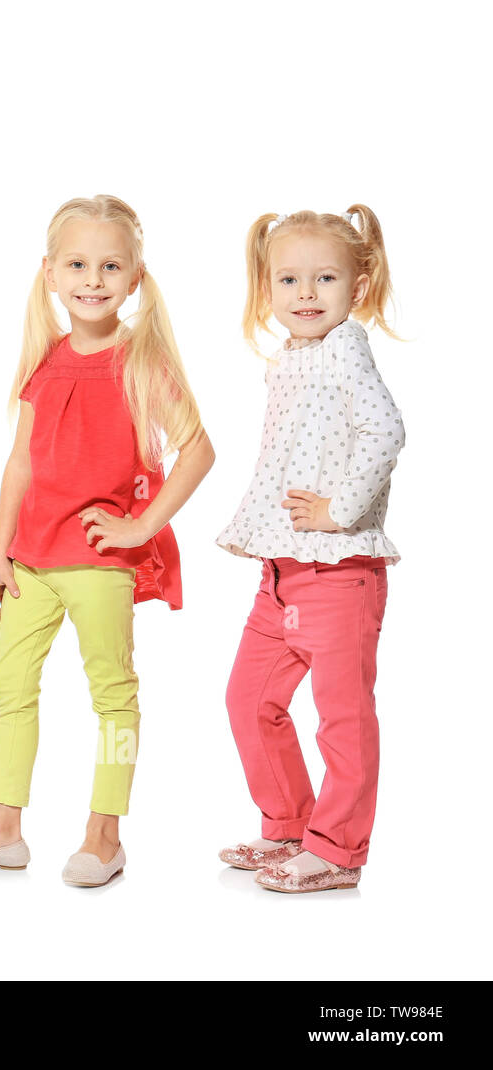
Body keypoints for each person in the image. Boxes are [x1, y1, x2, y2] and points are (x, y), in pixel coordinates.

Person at [0, 195, 213, 887]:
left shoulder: (141, 359)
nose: (94, 279)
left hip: (98, 561)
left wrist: (142, 527)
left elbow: (198, 451)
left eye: (111, 265)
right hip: (33, 556)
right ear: (51, 273)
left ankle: (104, 832)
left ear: (135, 277)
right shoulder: (47, 361)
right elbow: (21, 464)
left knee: (112, 693)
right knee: (11, 686)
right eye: (79, 264)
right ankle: (3, 825)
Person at [217, 206, 403, 893]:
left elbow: (386, 429)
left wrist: (341, 510)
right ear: (267, 289)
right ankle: (290, 826)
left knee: (342, 718)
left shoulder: (345, 345)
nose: (305, 293)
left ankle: (337, 850)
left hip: (339, 573)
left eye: (324, 278)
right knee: (249, 699)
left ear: (356, 288)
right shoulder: (292, 358)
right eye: (289, 279)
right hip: (283, 572)